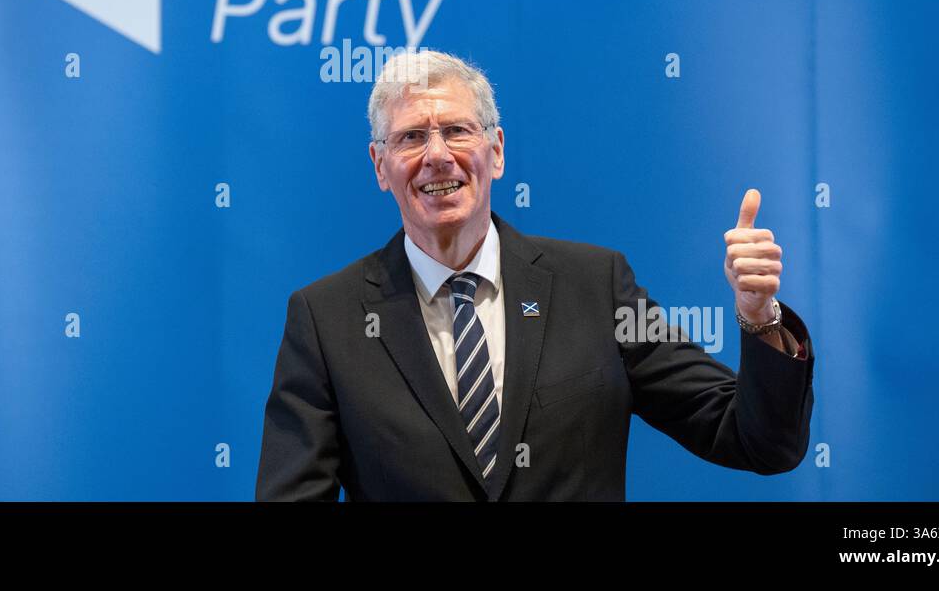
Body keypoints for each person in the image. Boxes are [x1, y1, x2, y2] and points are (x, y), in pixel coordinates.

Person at [256, 49, 814, 500]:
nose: (437, 156)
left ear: (495, 152)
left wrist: (759, 318)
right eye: (409, 138)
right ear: (380, 166)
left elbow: (758, 442)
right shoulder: (326, 319)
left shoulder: (597, 287)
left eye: (456, 130)